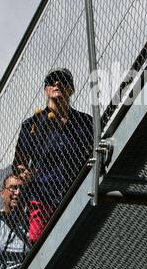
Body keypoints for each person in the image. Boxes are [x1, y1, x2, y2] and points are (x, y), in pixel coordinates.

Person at [13, 68, 94, 243]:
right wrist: (24, 173)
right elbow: (19, 163)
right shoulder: (31, 125)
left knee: (79, 243)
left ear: (71, 89)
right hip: (42, 197)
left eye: (63, 80)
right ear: (46, 90)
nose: (57, 83)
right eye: (52, 80)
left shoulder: (86, 122)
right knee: (38, 243)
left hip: (77, 193)